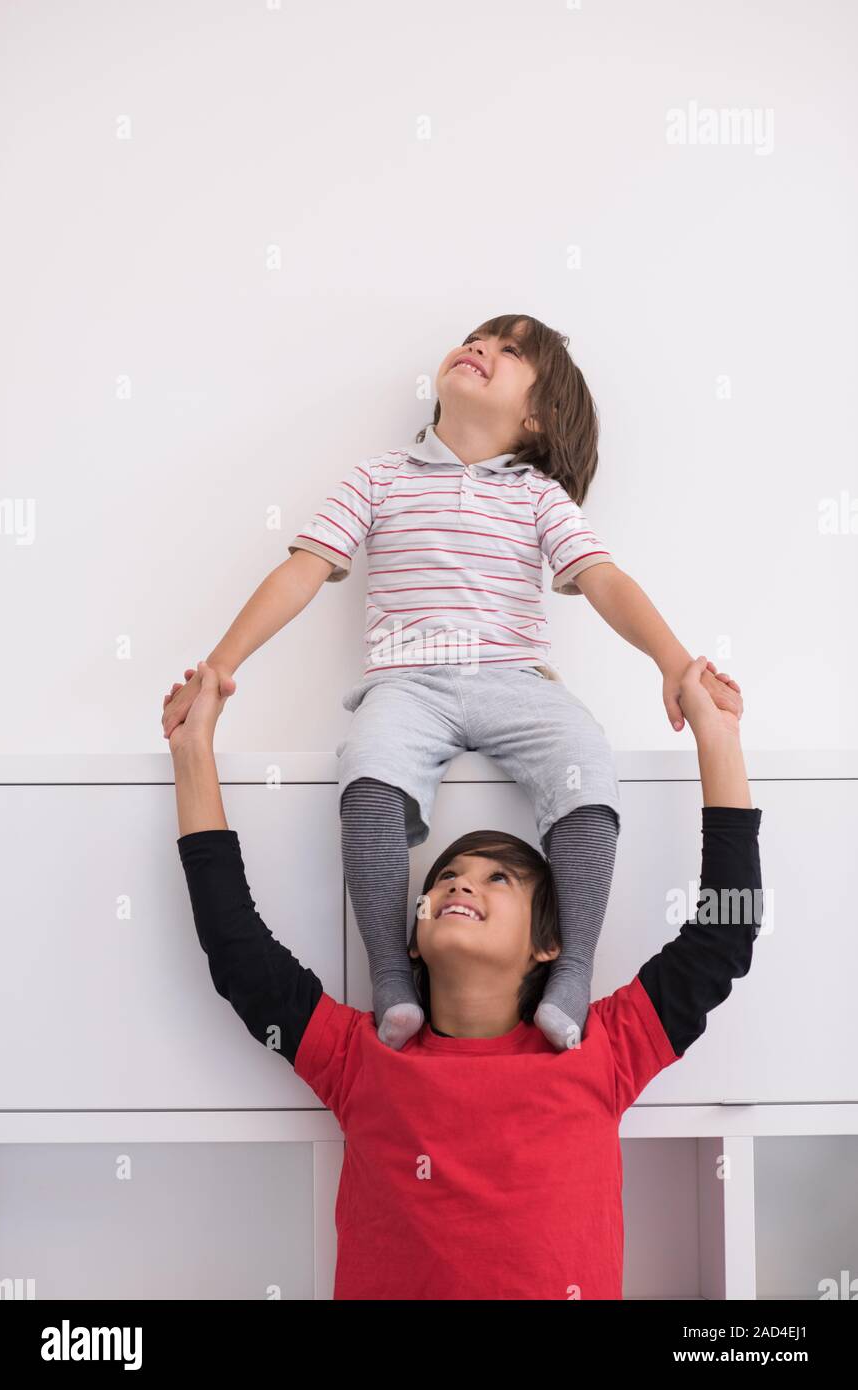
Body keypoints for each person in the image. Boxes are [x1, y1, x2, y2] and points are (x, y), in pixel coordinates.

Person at [161, 313, 742, 1055]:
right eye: (479, 339)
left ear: (534, 416)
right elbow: (300, 572)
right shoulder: (379, 477)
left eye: (508, 352)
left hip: (515, 681)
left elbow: (604, 582)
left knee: (586, 763)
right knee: (366, 769)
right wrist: (220, 664)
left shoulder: (537, 496)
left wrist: (673, 662)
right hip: (407, 685)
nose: (481, 350)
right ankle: (391, 977)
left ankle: (572, 969)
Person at [169, 654, 763, 1301]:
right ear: (413, 941)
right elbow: (236, 949)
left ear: (548, 945)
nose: (458, 881)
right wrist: (191, 748)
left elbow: (722, 936)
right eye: (444, 878)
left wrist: (717, 736)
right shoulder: (359, 1058)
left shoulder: (602, 1050)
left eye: (496, 878)